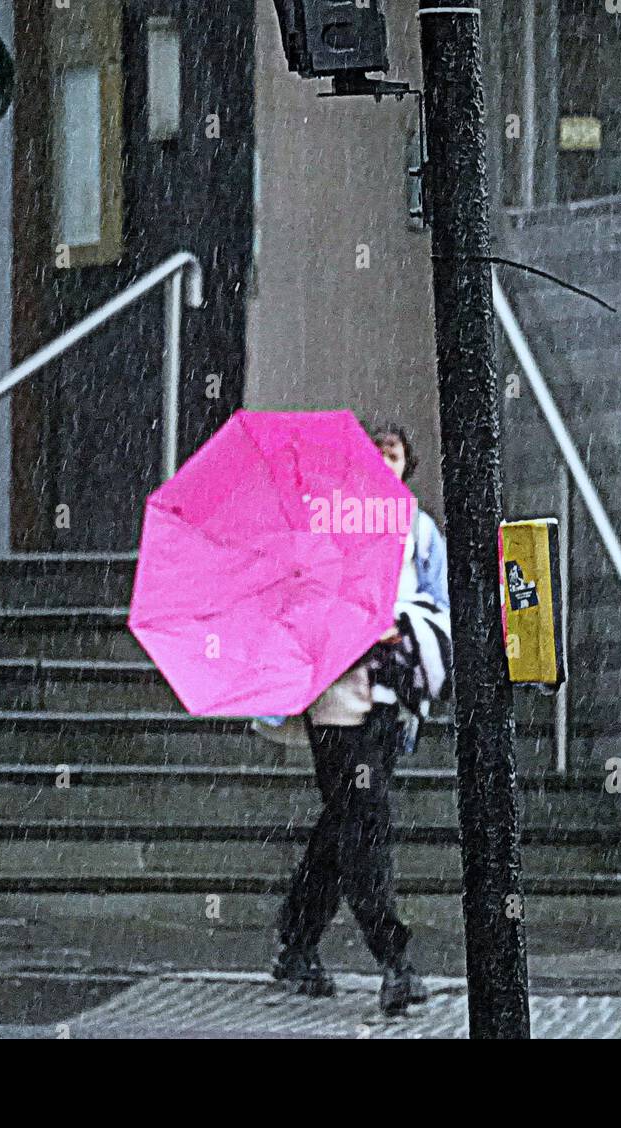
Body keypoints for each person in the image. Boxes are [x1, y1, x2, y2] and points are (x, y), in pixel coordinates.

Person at [271, 424, 450, 1016]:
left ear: (407, 465)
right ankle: (393, 960)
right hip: (338, 697)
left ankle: (297, 940)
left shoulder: (419, 530)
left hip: (390, 696)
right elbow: (301, 599)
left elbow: (438, 606)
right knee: (362, 829)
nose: (383, 460)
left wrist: (402, 624)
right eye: (375, 453)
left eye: (394, 452)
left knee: (344, 824)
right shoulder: (328, 524)